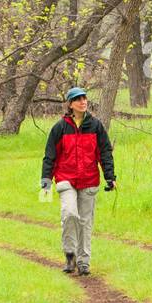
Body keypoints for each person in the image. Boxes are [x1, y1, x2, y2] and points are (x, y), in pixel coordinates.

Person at [40, 87, 116, 276]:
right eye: (78, 99)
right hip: (66, 179)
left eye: (84, 98)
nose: (83, 101)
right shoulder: (60, 127)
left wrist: (110, 177)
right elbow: (49, 155)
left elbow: (105, 152)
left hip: (89, 180)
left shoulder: (96, 126)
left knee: (85, 222)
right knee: (69, 214)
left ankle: (83, 262)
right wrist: (45, 182)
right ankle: (69, 255)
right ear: (70, 104)